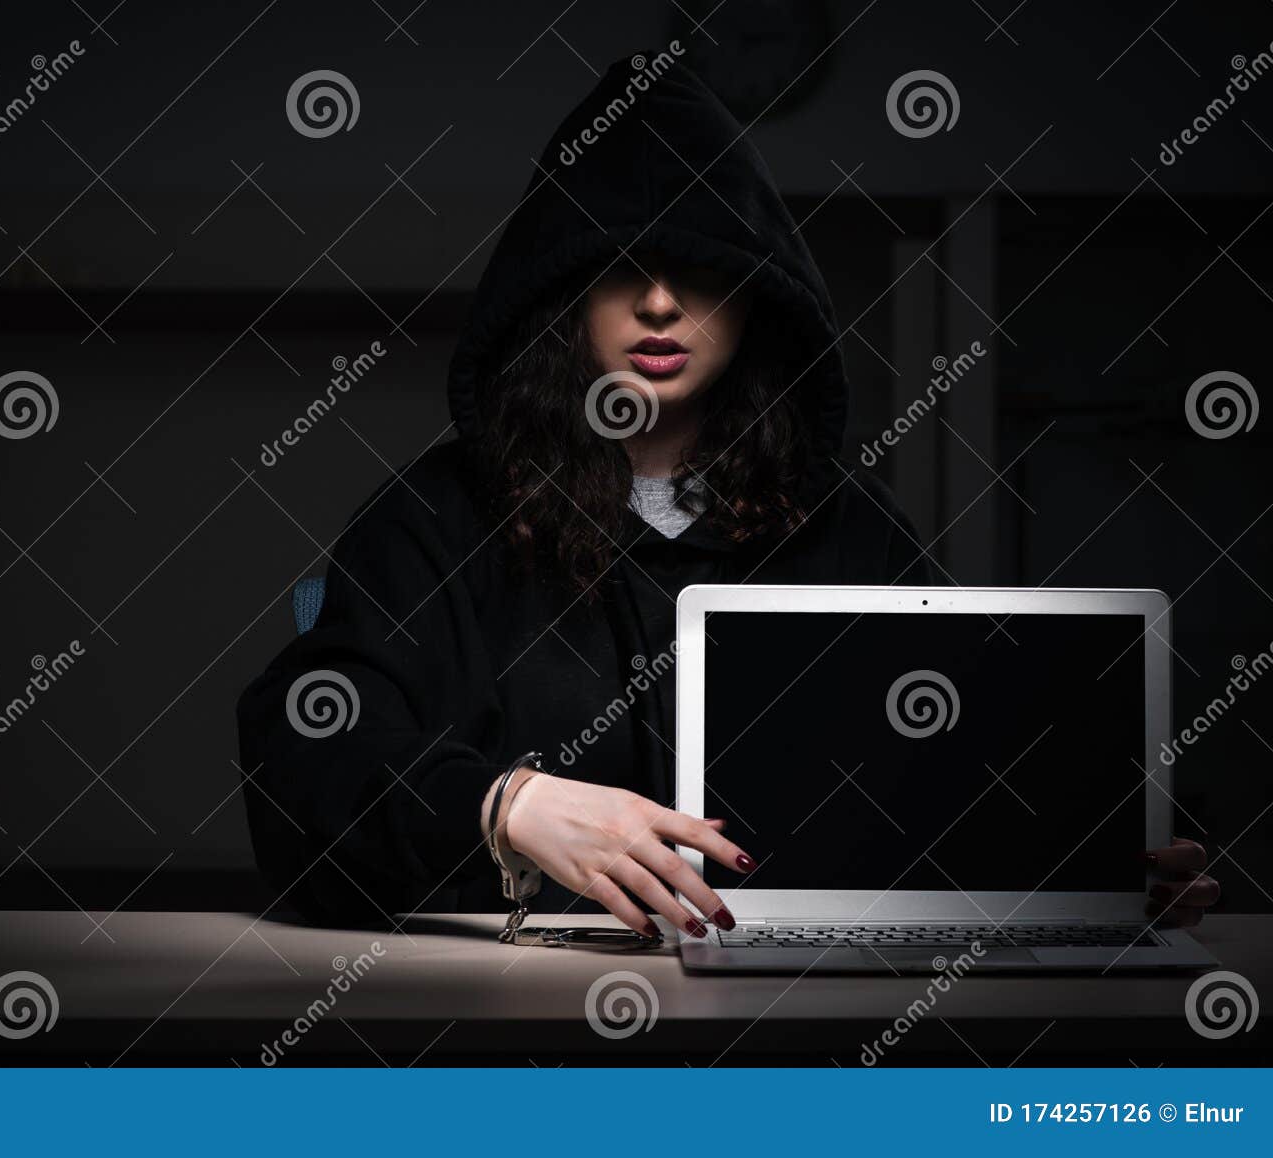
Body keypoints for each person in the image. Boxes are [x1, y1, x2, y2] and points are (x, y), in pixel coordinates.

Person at [237, 58, 1218, 935]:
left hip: (794, 1017)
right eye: (621, 268)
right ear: (560, 293)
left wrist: (1057, 868)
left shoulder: (845, 524)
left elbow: (935, 782)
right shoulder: (438, 516)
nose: (659, 303)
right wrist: (507, 807)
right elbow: (304, 760)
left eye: (701, 270)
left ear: (758, 297)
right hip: (508, 1009)